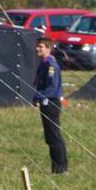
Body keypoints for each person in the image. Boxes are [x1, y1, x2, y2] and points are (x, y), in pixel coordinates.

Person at [32, 38, 68, 175]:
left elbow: (52, 87)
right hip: (45, 102)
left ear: (48, 48)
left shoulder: (51, 65)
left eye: (41, 47)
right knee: (49, 136)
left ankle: (61, 168)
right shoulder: (43, 63)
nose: (37, 49)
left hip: (50, 102)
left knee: (54, 136)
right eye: (37, 46)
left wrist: (38, 96)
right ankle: (56, 167)